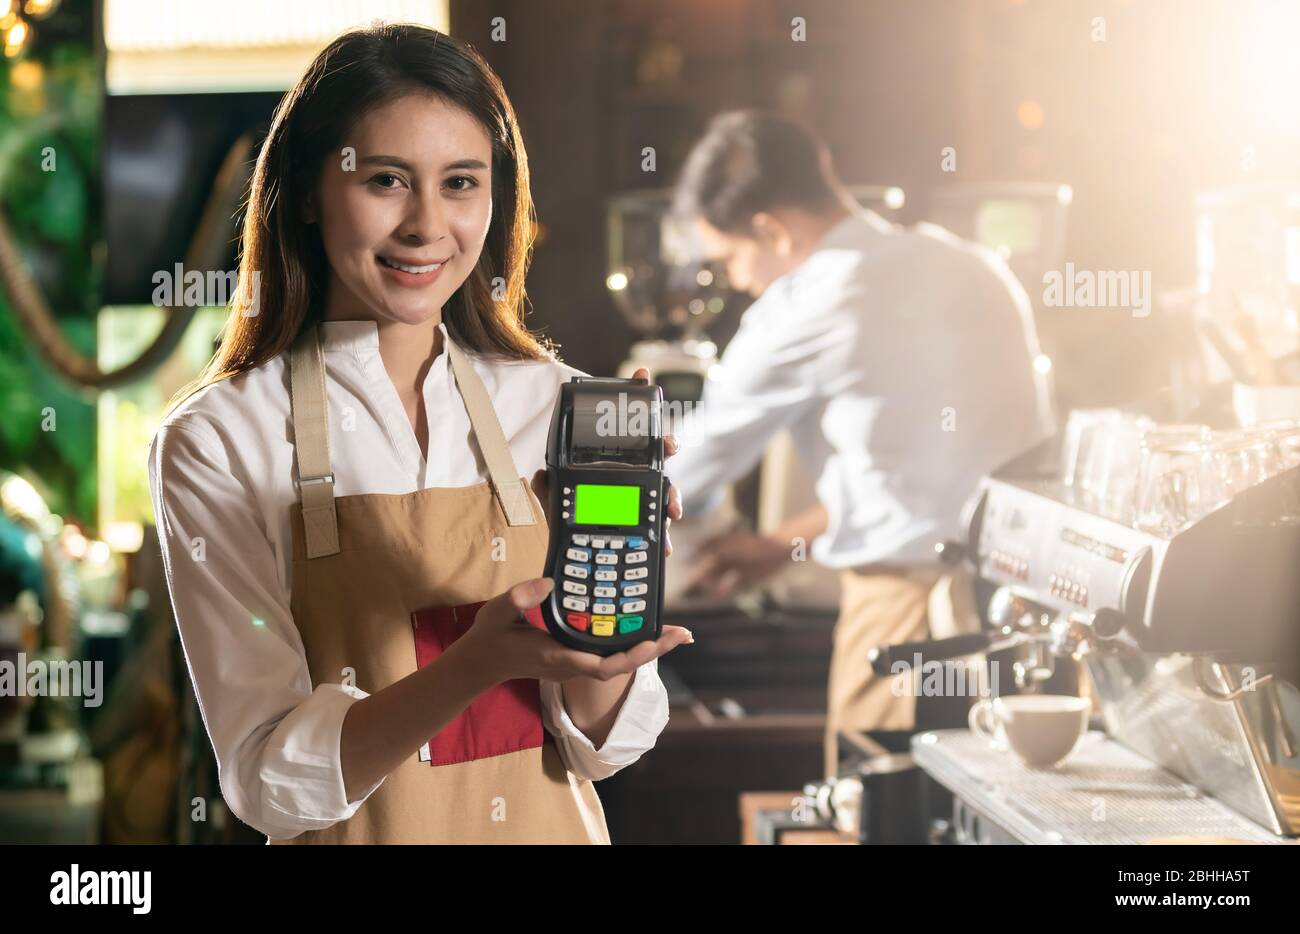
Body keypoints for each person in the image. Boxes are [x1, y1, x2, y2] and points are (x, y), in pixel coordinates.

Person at [147, 24, 691, 844]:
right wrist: (475, 663)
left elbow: (600, 748)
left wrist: (605, 632)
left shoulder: (566, 408)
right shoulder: (218, 439)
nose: (426, 225)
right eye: (387, 181)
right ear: (305, 190)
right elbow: (264, 783)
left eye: (461, 183)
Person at [666, 110, 1055, 778]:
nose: (735, 280)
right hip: (1029, 621)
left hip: (903, 623)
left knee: (876, 817)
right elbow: (931, 480)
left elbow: (685, 473)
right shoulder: (975, 267)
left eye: (730, 258)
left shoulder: (805, 305)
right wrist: (776, 543)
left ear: (771, 230)